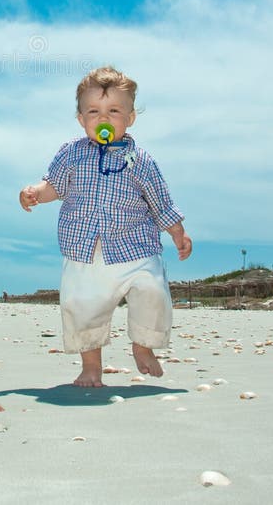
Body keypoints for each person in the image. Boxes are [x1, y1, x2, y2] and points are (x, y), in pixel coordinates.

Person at [19, 66, 192, 387]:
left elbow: (160, 201)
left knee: (152, 292)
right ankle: (91, 367)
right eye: (93, 112)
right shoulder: (71, 154)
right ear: (81, 119)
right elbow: (54, 186)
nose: (103, 118)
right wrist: (34, 193)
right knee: (83, 308)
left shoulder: (140, 159)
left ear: (130, 117)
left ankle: (142, 346)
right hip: (86, 250)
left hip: (135, 248)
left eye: (114, 111)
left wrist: (177, 232)